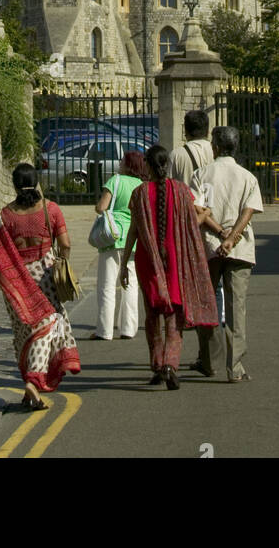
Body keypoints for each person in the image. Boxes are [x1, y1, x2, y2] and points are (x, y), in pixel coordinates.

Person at [0, 163, 80, 409]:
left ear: (14, 185)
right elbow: (65, 243)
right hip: (45, 279)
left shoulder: (5, 216)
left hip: (15, 284)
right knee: (46, 329)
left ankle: (29, 391)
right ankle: (34, 383)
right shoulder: (51, 210)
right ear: (37, 183)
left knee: (24, 333)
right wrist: (62, 263)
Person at [119, 144, 218, 390]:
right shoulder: (183, 191)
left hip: (147, 260)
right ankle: (170, 365)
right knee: (175, 315)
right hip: (176, 259)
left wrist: (123, 265)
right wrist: (206, 219)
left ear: (148, 166)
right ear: (168, 165)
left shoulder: (140, 193)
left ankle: (156, 365)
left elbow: (133, 231)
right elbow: (192, 223)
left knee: (152, 314)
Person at [191, 125, 264, 383]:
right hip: (240, 247)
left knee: (207, 305)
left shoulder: (202, 174)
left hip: (209, 246)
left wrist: (221, 233)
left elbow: (198, 208)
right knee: (237, 308)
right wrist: (232, 238)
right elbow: (249, 210)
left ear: (217, 147)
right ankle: (235, 367)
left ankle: (209, 361)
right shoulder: (247, 177)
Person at [91, 150, 145, 341]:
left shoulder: (115, 181)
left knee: (107, 285)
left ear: (127, 164)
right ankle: (128, 328)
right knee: (130, 284)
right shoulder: (141, 185)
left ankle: (104, 330)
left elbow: (102, 207)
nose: (119, 163)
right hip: (134, 238)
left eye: (122, 161)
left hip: (112, 237)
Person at [168, 109, 214, 185]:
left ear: (186, 131)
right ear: (207, 130)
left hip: (187, 196)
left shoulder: (176, 155)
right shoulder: (216, 151)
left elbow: (168, 186)